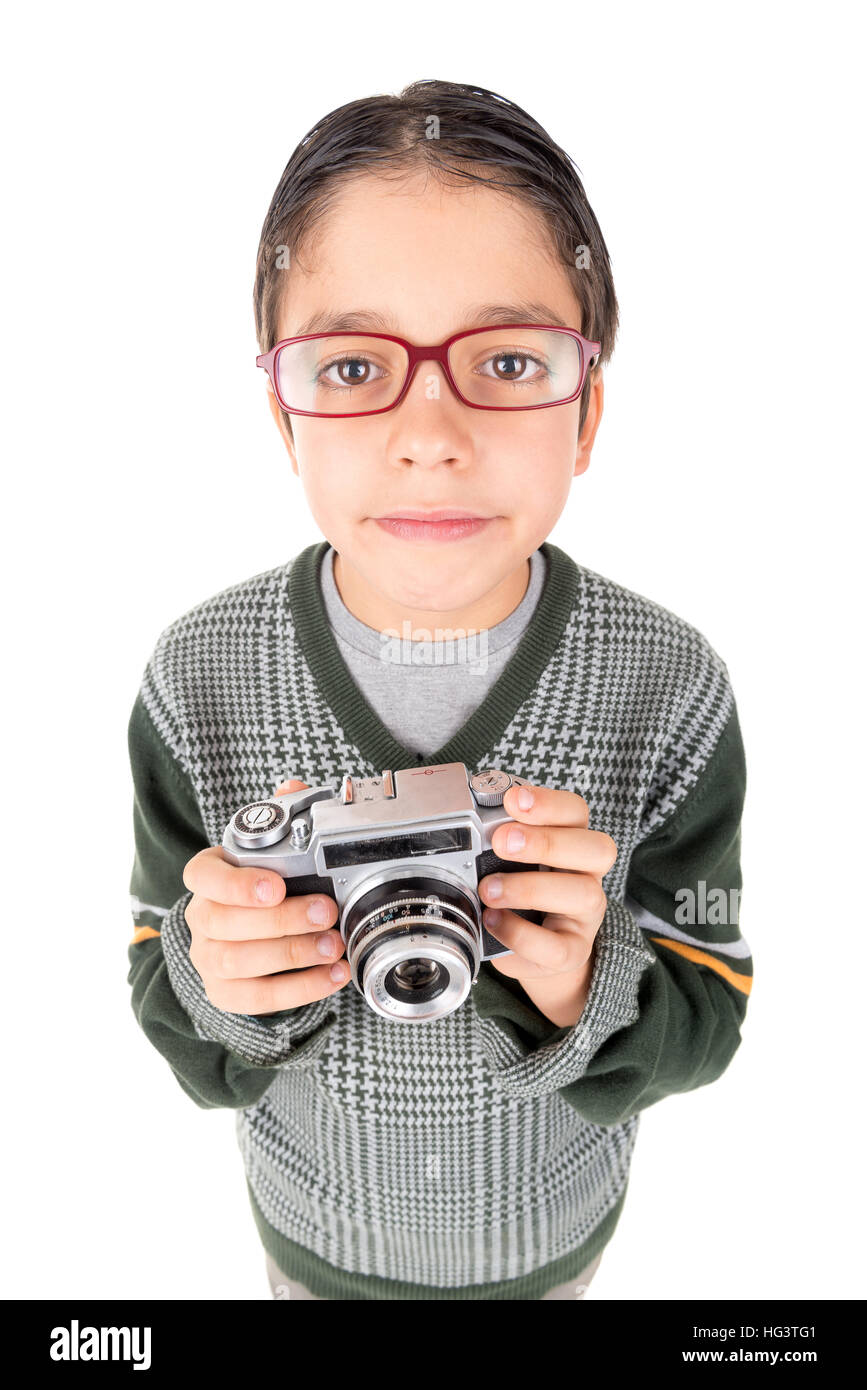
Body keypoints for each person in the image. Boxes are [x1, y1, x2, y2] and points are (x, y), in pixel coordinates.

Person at [127, 79, 752, 1301]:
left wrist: (583, 975)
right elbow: (162, 980)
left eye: (511, 359)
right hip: (313, 1236)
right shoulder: (198, 676)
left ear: (588, 409)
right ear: (280, 415)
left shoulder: (669, 684)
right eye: (353, 364)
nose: (430, 431)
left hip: (551, 1244)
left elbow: (712, 1001)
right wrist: (225, 976)